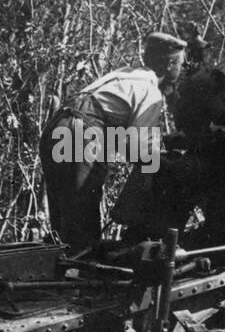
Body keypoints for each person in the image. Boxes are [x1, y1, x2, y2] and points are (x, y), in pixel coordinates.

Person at [39, 32, 185, 249]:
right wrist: (161, 165)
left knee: (63, 223)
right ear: (170, 64)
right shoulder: (151, 91)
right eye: (181, 64)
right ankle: (78, 275)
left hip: (58, 126)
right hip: (82, 133)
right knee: (81, 226)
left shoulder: (125, 75)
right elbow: (137, 147)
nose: (181, 69)